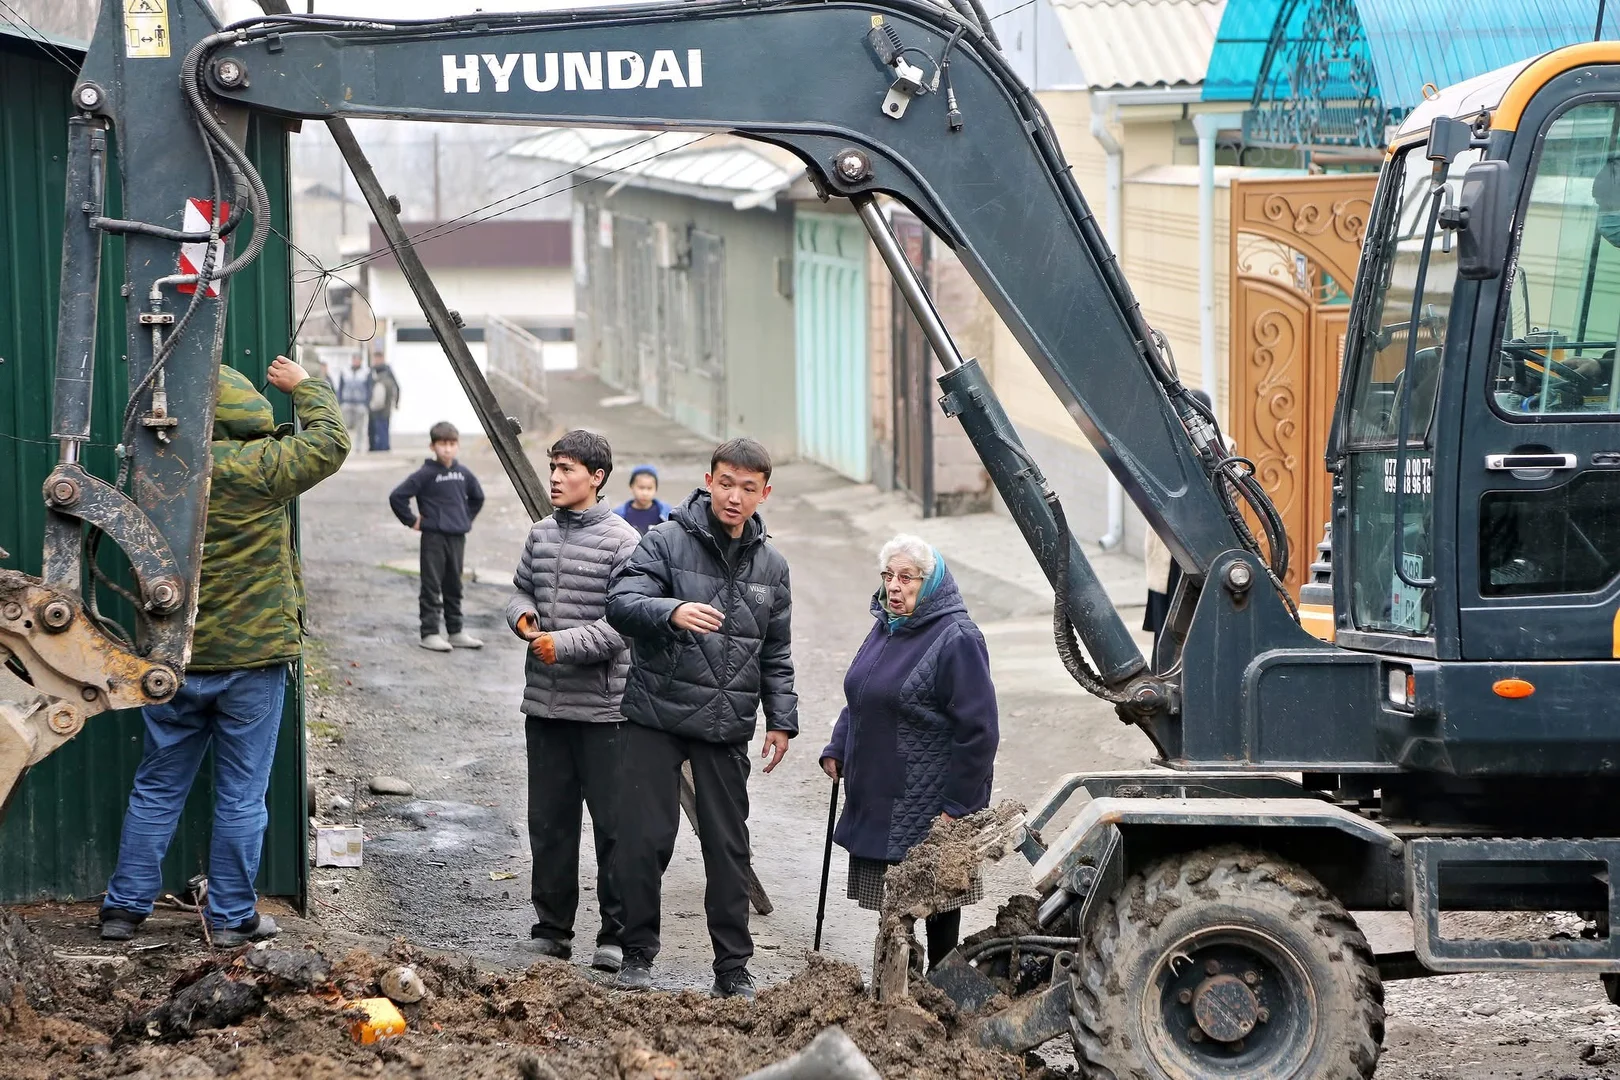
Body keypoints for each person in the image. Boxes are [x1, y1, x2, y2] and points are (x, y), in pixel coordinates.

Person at [99, 356, 349, 946]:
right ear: (247, 417)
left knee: (157, 788)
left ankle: (123, 910)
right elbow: (331, 443)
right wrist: (304, 387)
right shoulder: (261, 467)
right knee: (241, 795)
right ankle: (233, 917)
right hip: (252, 666)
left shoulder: (158, 471)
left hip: (175, 661)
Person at [606, 438, 797, 1000]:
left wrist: (781, 719)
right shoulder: (664, 541)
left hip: (724, 724)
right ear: (709, 481)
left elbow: (776, 652)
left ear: (764, 493)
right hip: (655, 716)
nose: (735, 496)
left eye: (748, 487)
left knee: (728, 848)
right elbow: (621, 602)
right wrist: (671, 611)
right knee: (644, 839)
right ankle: (636, 953)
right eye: (726, 483)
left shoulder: (772, 567)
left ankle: (732, 969)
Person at [818, 535, 999, 970]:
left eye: (906, 578)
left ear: (930, 583)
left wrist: (959, 807)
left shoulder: (957, 638)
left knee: (936, 900)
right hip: (883, 793)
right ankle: (897, 985)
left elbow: (979, 731)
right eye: (888, 576)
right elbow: (863, 694)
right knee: (893, 909)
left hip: (931, 801)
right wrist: (839, 744)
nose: (894, 586)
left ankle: (941, 985)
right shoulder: (888, 626)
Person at [505, 430, 642, 974]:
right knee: (549, 825)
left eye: (567, 469)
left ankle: (616, 937)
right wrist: (522, 617)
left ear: (597, 477)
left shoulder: (624, 542)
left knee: (615, 829)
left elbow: (625, 624)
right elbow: (521, 588)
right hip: (545, 708)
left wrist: (561, 645)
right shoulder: (540, 534)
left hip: (605, 713)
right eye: (554, 467)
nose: (556, 478)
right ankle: (551, 931)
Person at [389, 421, 485, 652]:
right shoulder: (425, 474)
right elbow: (397, 496)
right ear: (432, 446)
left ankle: (456, 631)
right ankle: (430, 633)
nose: (447, 449)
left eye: (452, 444)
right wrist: (412, 521)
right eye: (442, 444)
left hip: (457, 537)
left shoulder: (463, 474)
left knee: (454, 585)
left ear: (458, 445)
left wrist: (465, 519)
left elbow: (478, 497)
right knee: (431, 585)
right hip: (433, 538)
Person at [613, 464, 672, 537]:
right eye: (641, 488)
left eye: (649, 488)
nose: (645, 493)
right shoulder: (619, 515)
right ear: (631, 487)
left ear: (656, 489)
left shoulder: (666, 513)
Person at [335, 352, 371, 453]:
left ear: (361, 361)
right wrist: (340, 402)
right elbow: (340, 388)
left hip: (360, 403)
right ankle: (344, 446)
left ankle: (358, 446)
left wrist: (367, 403)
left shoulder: (366, 372)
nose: (356, 361)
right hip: (347, 403)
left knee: (360, 427)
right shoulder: (345, 371)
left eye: (358, 359)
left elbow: (369, 388)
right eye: (354, 359)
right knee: (344, 426)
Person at [367, 350, 401, 453]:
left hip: (385, 405)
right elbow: (367, 386)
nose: (376, 361)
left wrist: (396, 402)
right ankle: (373, 447)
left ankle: (384, 447)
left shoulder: (388, 371)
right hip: (373, 404)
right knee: (372, 427)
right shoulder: (371, 371)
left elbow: (396, 387)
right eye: (375, 359)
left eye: (378, 359)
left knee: (383, 426)